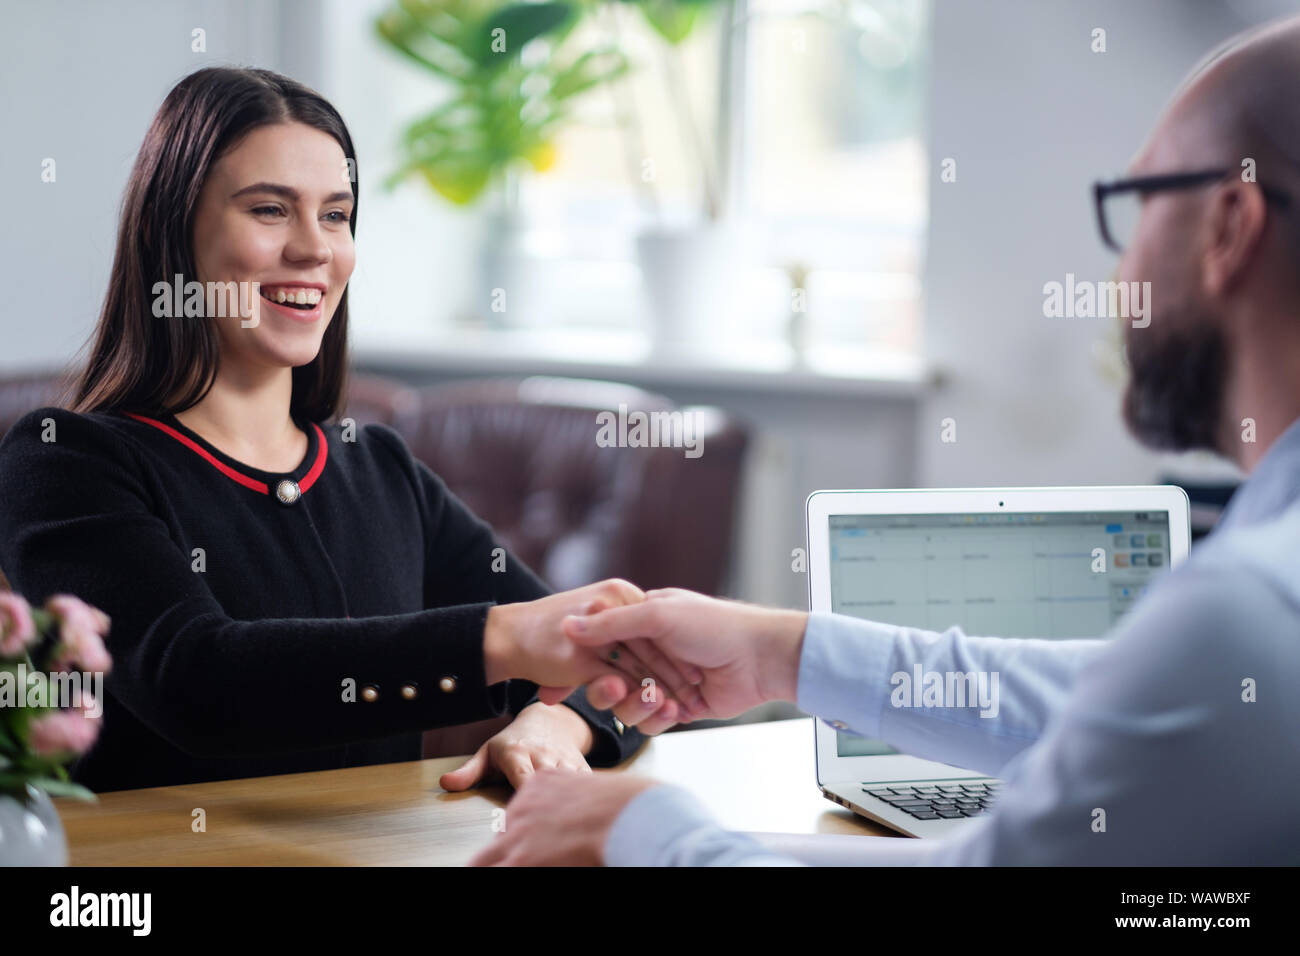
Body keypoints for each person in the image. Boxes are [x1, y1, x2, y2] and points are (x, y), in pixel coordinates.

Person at [471, 15, 1300, 866]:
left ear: (1230, 226)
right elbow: (1107, 705)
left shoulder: (1249, 609)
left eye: (1137, 205)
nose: (1118, 273)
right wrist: (778, 653)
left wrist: (647, 834)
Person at [0, 67, 687, 793]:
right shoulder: (65, 463)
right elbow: (197, 681)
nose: (315, 249)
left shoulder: (378, 469)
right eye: (270, 210)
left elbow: (606, 666)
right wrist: (504, 640)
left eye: (335, 215)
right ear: (171, 233)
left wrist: (556, 721)